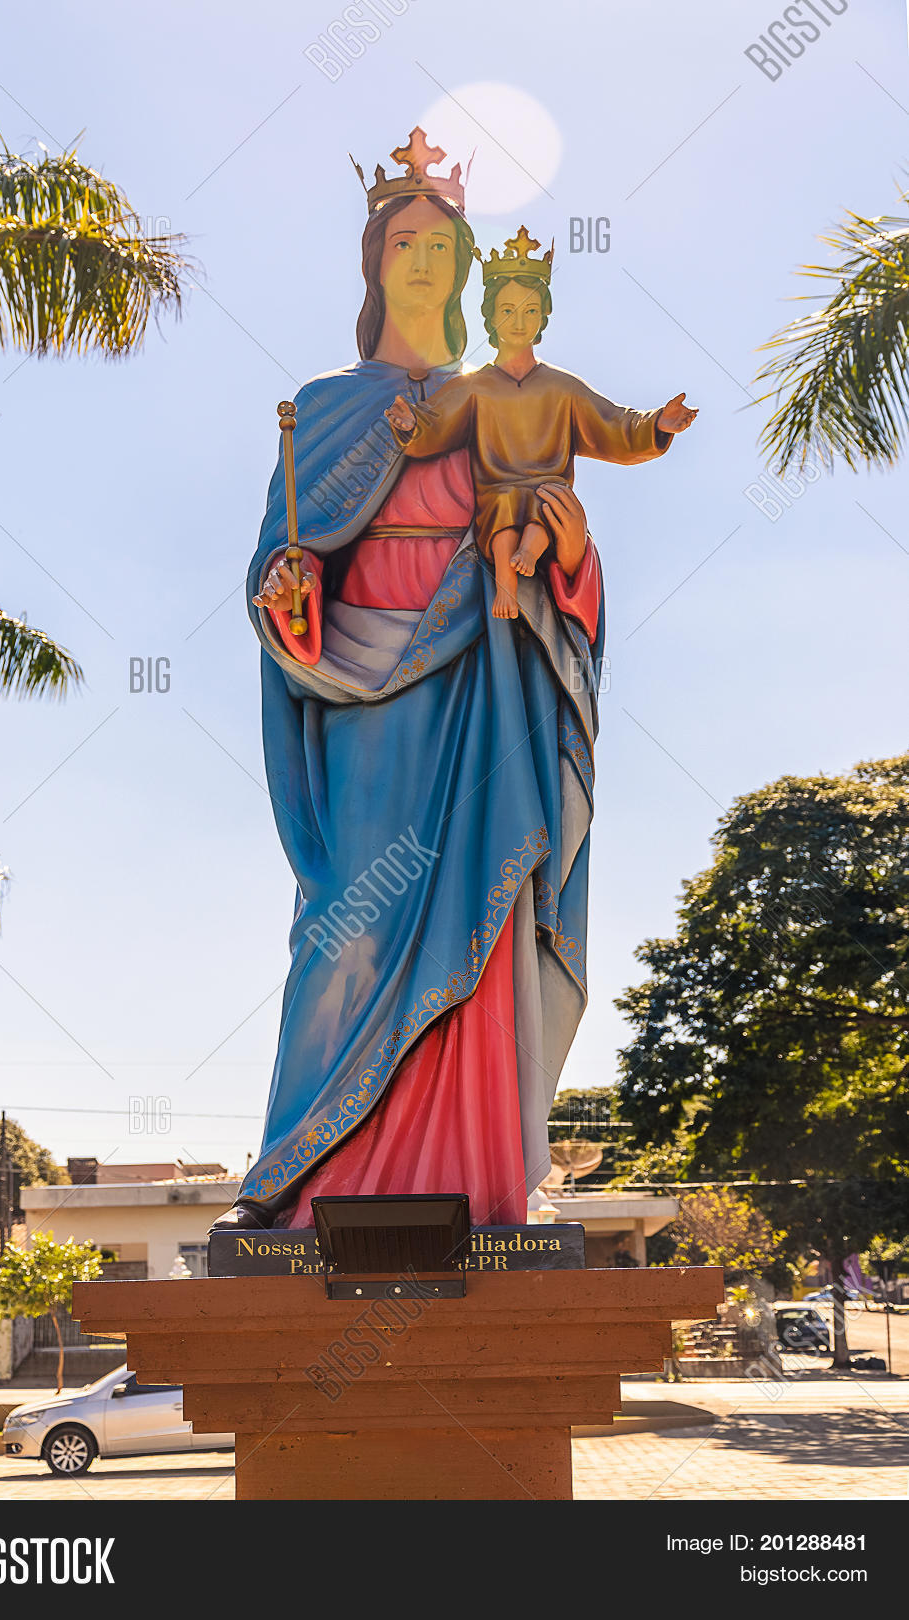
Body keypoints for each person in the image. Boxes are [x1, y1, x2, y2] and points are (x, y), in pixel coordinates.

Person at [209, 130, 686, 1236]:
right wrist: (288, 594)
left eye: (442, 243)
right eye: (404, 242)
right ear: (373, 265)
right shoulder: (331, 403)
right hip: (373, 703)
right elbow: (283, 560)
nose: (423, 260)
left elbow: (550, 532)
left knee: (488, 915)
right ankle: (298, 1180)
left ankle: (478, 1187)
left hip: (482, 680)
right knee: (348, 927)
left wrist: (570, 555)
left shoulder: (495, 397)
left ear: (470, 269)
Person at [386, 227, 697, 618]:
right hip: (496, 491)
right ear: (491, 317)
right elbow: (435, 422)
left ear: (543, 318)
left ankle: (527, 555)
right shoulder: (475, 387)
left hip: (549, 494)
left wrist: (657, 423)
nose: (519, 322)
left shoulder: (561, 388)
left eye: (531, 310)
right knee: (502, 509)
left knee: (545, 504)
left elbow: (614, 423)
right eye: (508, 311)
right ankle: (507, 583)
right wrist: (409, 422)